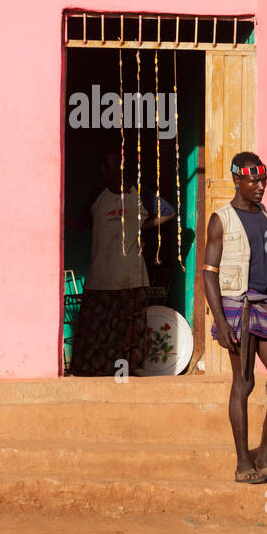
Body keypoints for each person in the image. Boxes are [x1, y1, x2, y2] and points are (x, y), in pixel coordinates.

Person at [203, 151, 267, 484]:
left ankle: (266, 458)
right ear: (237, 180)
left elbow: (264, 252)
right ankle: (243, 464)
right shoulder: (222, 219)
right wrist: (221, 321)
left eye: (264, 180)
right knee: (243, 384)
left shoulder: (264, 214)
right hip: (236, 307)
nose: (260, 186)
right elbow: (208, 274)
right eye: (253, 180)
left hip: (266, 307)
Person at [66, 149, 175, 377]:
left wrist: (143, 226)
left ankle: (126, 372)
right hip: (100, 276)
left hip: (131, 277)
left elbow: (168, 212)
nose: (103, 170)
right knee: (96, 329)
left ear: (120, 166)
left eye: (107, 164)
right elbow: (83, 223)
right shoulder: (99, 194)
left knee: (127, 331)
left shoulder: (141, 194)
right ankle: (95, 372)